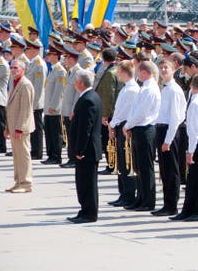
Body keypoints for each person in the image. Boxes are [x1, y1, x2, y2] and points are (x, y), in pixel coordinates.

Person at [171, 74, 198, 222]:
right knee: (192, 178)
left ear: (191, 85)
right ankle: (188, 209)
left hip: (197, 141)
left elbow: (195, 129)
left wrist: (190, 151)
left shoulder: (196, 103)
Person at [123, 61, 161, 211]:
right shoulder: (145, 87)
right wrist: (130, 124)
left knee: (146, 168)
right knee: (139, 167)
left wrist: (127, 125)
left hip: (146, 129)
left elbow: (141, 112)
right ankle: (141, 198)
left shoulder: (149, 89)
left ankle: (148, 201)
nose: (137, 75)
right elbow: (135, 109)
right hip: (139, 128)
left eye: (139, 72)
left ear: (145, 72)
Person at [67, 69, 102, 223]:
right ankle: (84, 210)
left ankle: (89, 213)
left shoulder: (88, 99)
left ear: (80, 83)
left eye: (76, 81)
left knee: (87, 184)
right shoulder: (90, 96)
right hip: (86, 149)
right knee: (83, 182)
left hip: (87, 150)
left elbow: (85, 128)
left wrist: (80, 149)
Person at [153, 59, 186, 217]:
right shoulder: (164, 88)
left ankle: (172, 204)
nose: (164, 70)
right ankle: (167, 203)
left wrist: (168, 140)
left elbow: (175, 117)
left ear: (174, 69)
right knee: (164, 170)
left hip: (169, 131)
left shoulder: (174, 90)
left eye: (167, 67)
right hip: (161, 129)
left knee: (171, 170)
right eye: (161, 68)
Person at [108, 61, 139, 208]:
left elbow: (124, 111)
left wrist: (113, 124)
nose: (118, 74)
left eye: (119, 71)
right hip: (120, 124)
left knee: (127, 162)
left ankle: (128, 195)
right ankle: (123, 193)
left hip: (125, 125)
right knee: (121, 161)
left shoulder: (132, 89)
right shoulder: (126, 88)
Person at [4, 60, 34, 193]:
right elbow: (10, 107)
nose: (13, 70)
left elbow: (25, 109)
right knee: (17, 155)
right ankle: (18, 181)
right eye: (11, 67)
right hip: (13, 124)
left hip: (21, 127)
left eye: (16, 68)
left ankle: (26, 183)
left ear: (23, 69)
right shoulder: (14, 83)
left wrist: (19, 128)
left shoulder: (25, 84)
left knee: (23, 155)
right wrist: (7, 127)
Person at [42, 47, 66, 165]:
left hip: (54, 108)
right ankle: (50, 154)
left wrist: (54, 106)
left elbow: (59, 91)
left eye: (50, 55)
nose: (48, 57)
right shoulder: (52, 69)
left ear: (56, 56)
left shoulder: (60, 71)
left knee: (56, 133)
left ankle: (56, 156)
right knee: (49, 132)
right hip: (48, 107)